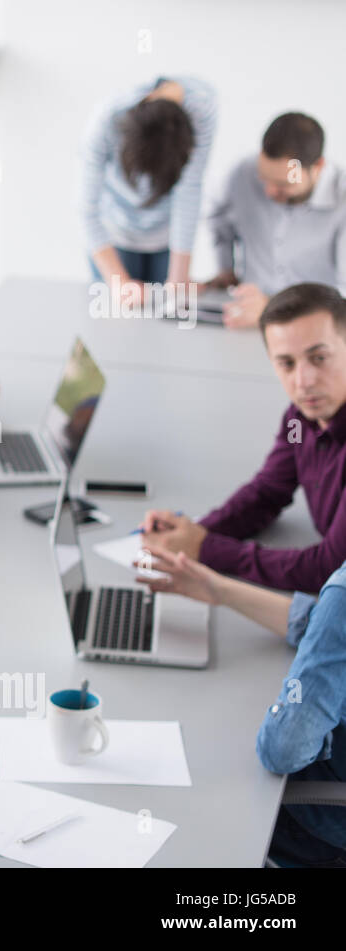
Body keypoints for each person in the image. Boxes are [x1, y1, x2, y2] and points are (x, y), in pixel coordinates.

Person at [135, 548, 346, 867]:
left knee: (182, 787)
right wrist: (221, 590)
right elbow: (329, 626)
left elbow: (284, 748)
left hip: (325, 821)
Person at [142, 283, 346, 594]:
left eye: (319, 358)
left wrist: (207, 548)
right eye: (286, 363)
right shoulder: (298, 421)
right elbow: (269, 491)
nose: (303, 381)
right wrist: (193, 531)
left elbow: (327, 568)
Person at [207, 112, 346, 327]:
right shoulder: (243, 172)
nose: (270, 192)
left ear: (318, 167)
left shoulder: (342, 200)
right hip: (244, 319)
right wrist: (225, 268)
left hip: (314, 327)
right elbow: (218, 219)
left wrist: (271, 306)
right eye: (264, 179)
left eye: (283, 184)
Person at [81, 76, 217, 294]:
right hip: (115, 233)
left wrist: (177, 282)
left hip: (166, 235)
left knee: (166, 313)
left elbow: (189, 191)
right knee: (117, 317)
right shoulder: (107, 118)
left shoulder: (202, 108)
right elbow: (86, 209)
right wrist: (120, 284)